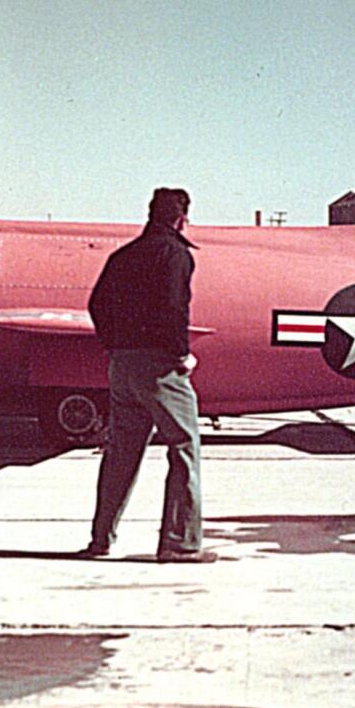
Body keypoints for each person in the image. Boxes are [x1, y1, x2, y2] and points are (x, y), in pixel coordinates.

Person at [83, 186, 215, 563]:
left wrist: (114, 347)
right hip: (160, 369)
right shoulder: (175, 255)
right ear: (182, 218)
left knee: (121, 452)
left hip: (122, 368)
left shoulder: (122, 256)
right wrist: (180, 355)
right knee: (184, 446)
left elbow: (96, 304)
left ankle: (101, 538)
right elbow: (175, 307)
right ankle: (180, 543)